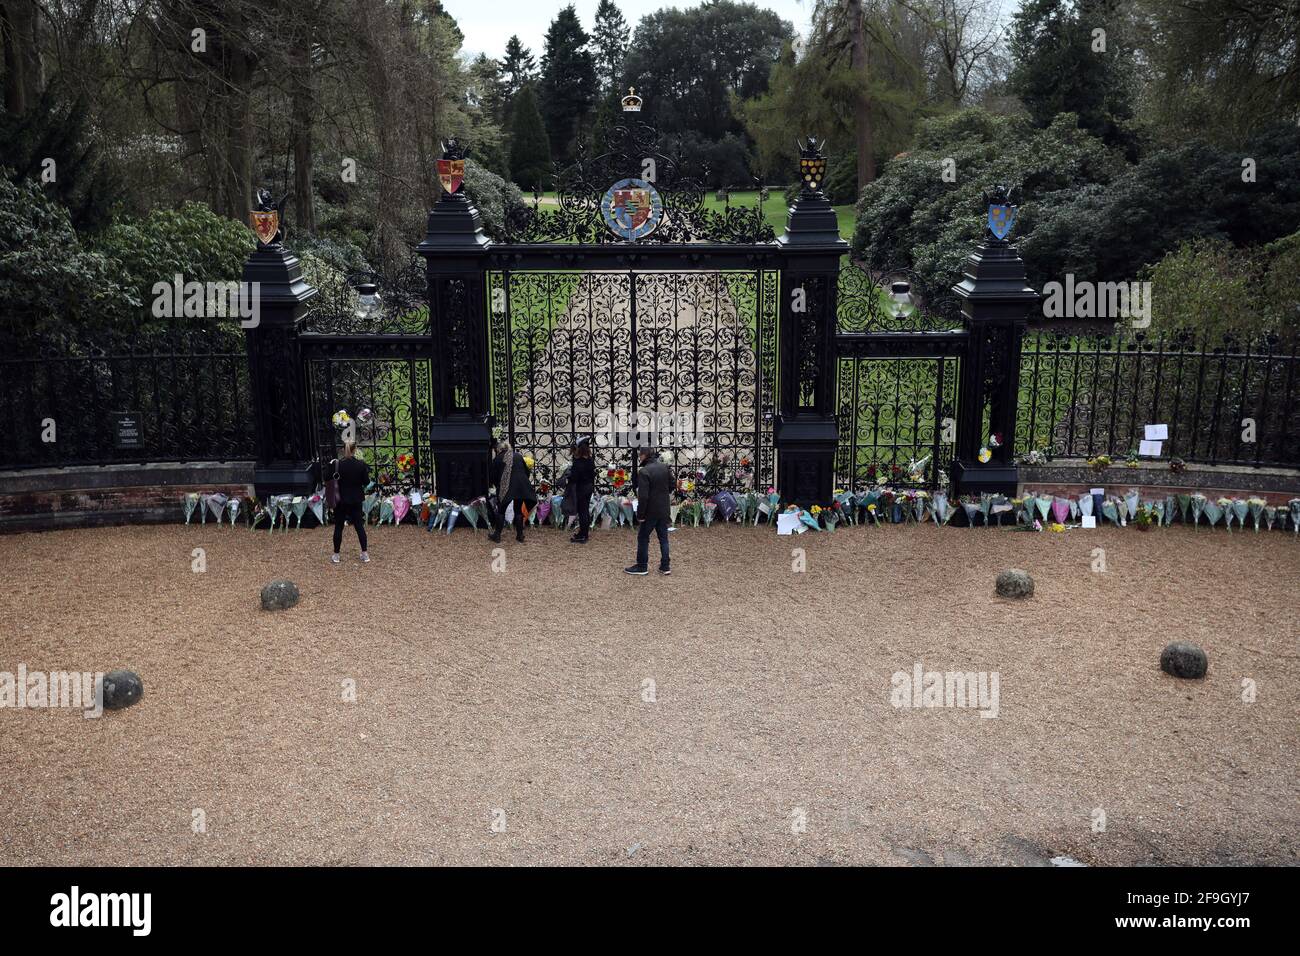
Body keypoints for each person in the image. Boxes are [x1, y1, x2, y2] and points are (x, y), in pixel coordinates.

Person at [626, 446, 672, 576]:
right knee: (663, 538)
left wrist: (640, 514)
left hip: (650, 511)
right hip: (663, 509)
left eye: (640, 455)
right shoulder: (664, 467)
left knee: (643, 537)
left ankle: (642, 566)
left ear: (644, 455)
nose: (639, 457)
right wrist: (662, 495)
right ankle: (665, 565)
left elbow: (643, 496)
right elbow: (672, 485)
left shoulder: (644, 471)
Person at [489, 439, 538, 543]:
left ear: (499, 449)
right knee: (518, 510)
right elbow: (526, 472)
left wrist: (498, 485)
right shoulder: (518, 456)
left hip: (506, 487)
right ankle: (520, 535)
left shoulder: (498, 458)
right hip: (520, 487)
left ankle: (497, 535)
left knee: (501, 510)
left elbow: (493, 476)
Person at [331, 441, 370, 564]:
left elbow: (328, 478)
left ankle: (336, 554)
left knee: (339, 527)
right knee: (359, 526)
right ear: (355, 450)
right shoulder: (360, 464)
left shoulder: (337, 465)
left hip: (341, 499)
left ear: (343, 450)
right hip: (356, 498)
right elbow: (366, 482)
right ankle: (364, 553)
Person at [567, 437, 596, 543]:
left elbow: (574, 477)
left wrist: (568, 478)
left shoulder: (578, 462)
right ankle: (583, 532)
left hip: (581, 488)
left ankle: (583, 535)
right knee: (585, 511)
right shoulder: (590, 460)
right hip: (588, 487)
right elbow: (593, 474)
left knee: (582, 511)